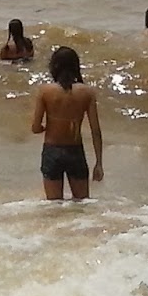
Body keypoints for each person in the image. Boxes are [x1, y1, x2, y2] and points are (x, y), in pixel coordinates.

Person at [30, 45, 103, 201]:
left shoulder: (45, 91)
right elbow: (95, 130)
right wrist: (98, 163)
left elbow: (35, 128)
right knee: (82, 204)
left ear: (54, 66)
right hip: (75, 152)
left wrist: (45, 128)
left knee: (54, 205)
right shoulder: (87, 92)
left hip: (52, 151)